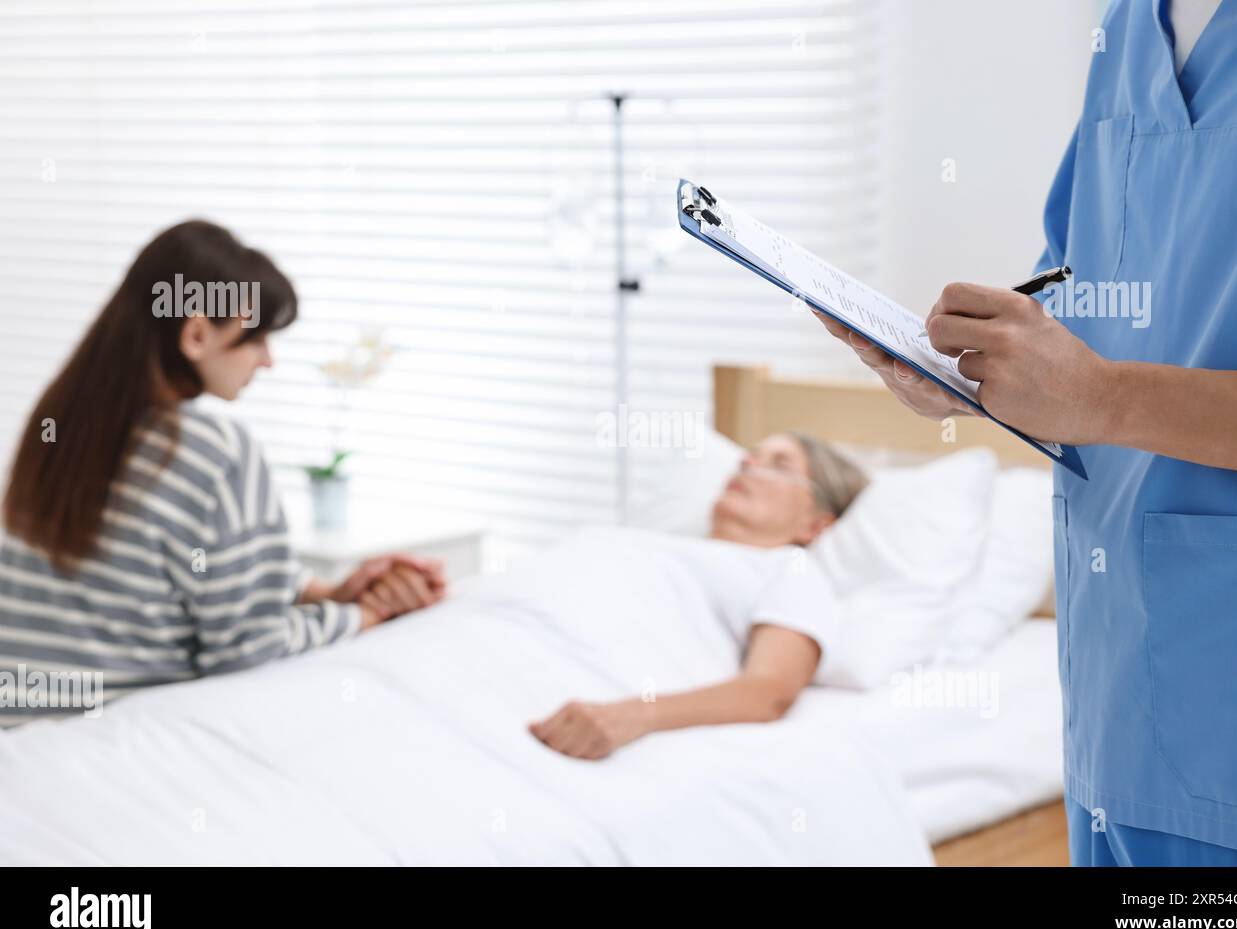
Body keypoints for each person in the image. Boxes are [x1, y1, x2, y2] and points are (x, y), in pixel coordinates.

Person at [816, 0, 1237, 864]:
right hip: (1115, 705)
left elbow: (1106, 387)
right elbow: (1094, 329)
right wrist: (975, 378)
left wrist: (1104, 396)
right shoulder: (1127, 33)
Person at [0, 221, 444, 728]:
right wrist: (364, 616)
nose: (268, 361)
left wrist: (323, 592)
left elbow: (152, 576)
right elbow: (245, 655)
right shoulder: (217, 454)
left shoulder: (59, 426)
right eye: (256, 340)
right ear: (196, 334)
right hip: (117, 745)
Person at [528, 431, 865, 760]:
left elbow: (769, 691)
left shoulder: (789, 570)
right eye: (751, 455)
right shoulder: (661, 546)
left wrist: (629, 716)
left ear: (815, 526)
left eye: (779, 465)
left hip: (560, 688)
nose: (747, 463)